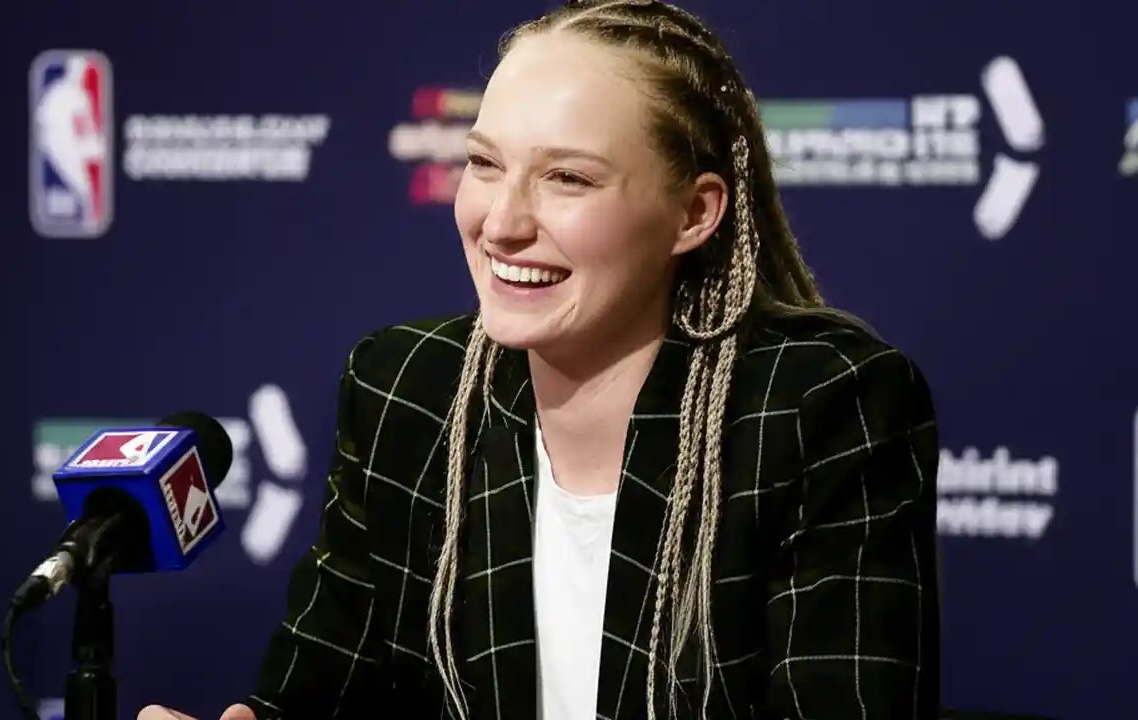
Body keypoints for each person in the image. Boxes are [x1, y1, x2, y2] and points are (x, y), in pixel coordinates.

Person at [139, 0, 941, 718]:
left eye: (566, 177)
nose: (502, 222)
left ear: (694, 213)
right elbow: (316, 696)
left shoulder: (821, 406)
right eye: (484, 164)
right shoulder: (407, 390)